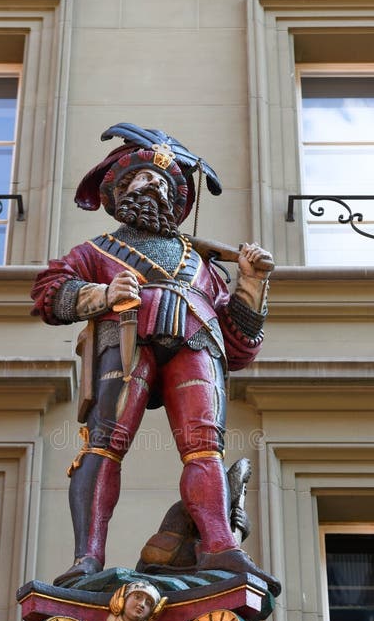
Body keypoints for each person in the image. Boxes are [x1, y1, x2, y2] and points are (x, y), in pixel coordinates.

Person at [31, 131, 275, 590]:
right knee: (105, 441)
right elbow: (49, 292)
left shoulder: (203, 264)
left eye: (162, 181)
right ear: (121, 190)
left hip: (197, 338)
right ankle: (87, 557)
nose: (154, 185)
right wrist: (102, 293)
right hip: (124, 335)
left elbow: (239, 342)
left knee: (205, 444)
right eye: (143, 178)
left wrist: (251, 283)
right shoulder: (95, 251)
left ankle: (220, 545)